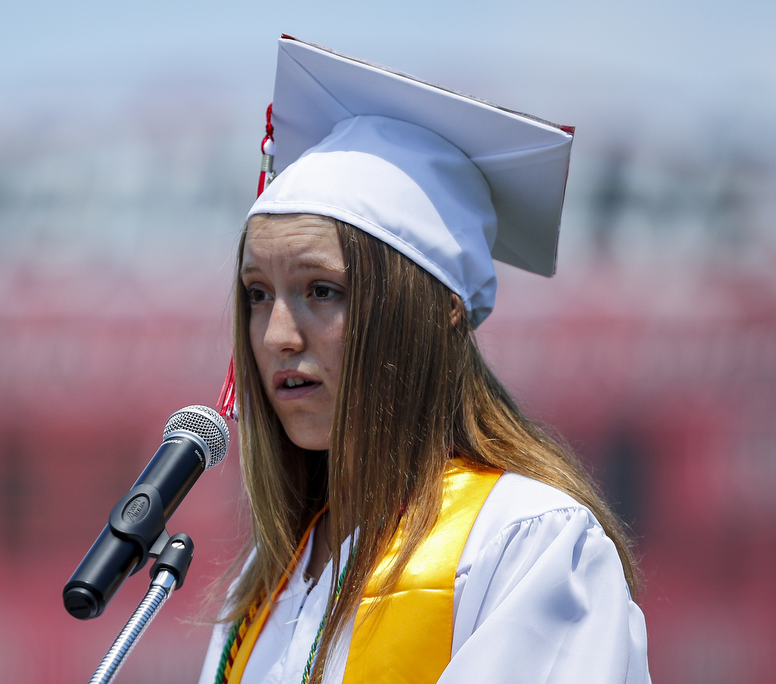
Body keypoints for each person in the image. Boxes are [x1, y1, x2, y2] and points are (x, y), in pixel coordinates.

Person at [198, 36, 651, 684]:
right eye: (257, 294)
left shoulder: (523, 544)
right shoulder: (264, 587)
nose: (276, 336)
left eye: (322, 291)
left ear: (435, 313)